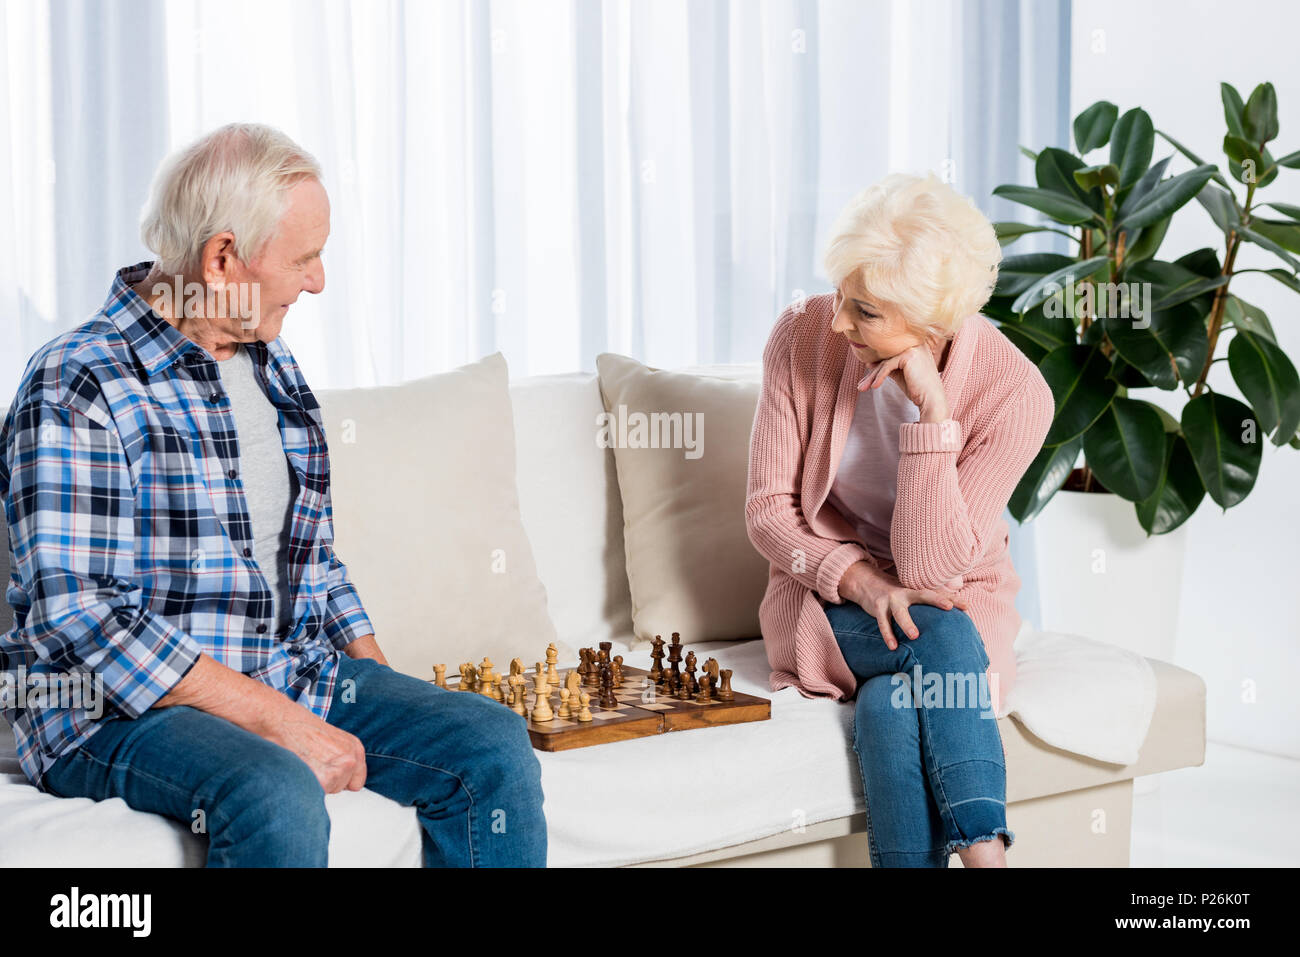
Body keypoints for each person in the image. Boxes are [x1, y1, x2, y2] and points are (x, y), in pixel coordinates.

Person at [0, 123, 546, 867]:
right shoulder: (76, 382)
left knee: (488, 742)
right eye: (305, 257)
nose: (318, 280)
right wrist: (283, 726)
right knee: (275, 789)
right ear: (222, 257)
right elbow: (81, 619)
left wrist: (383, 685)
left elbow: (311, 550)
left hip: (287, 672)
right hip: (110, 710)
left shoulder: (268, 360)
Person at [744, 172, 1054, 868]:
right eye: (842, 293)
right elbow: (767, 513)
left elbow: (932, 572)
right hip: (829, 602)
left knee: (891, 705)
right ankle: (989, 859)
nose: (838, 321)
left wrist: (932, 421)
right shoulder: (801, 337)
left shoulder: (1016, 394)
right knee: (938, 636)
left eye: (866, 310)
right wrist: (858, 580)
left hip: (958, 596)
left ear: (932, 325)